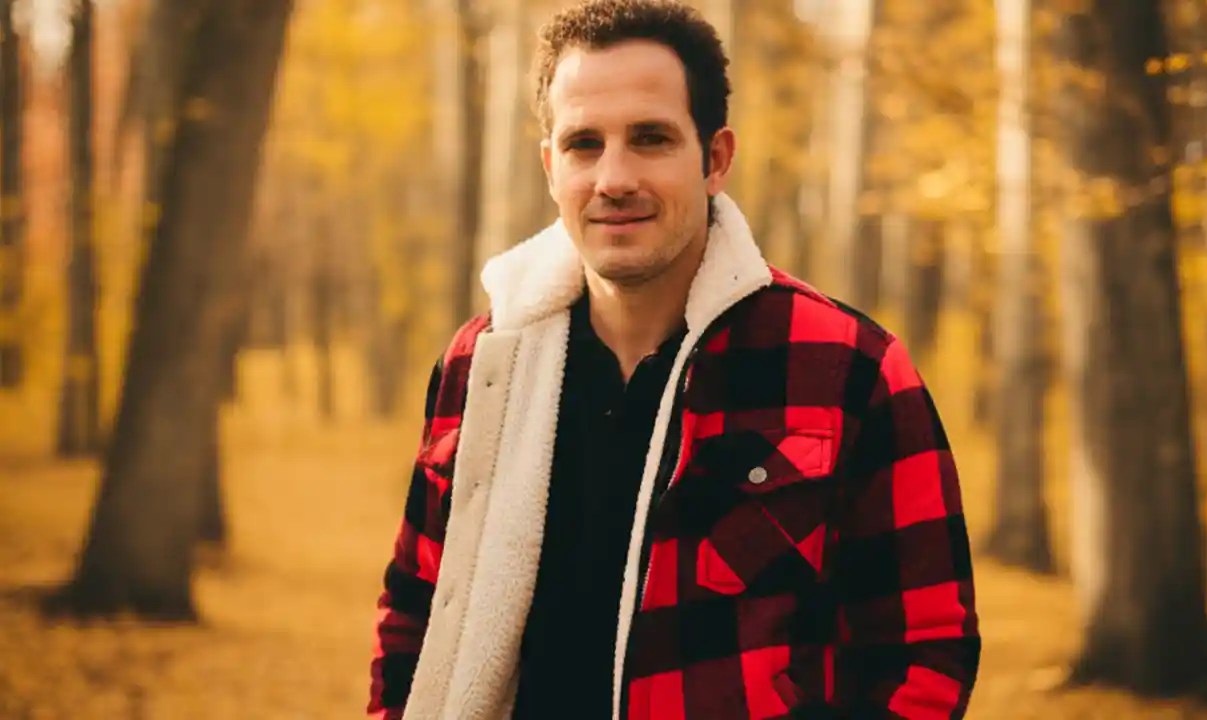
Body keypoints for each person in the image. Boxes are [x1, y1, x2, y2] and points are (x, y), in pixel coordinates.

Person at [368, 1, 980, 718]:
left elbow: (927, 651)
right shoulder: (482, 365)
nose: (613, 178)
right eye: (584, 144)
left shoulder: (847, 368)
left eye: (650, 138)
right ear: (550, 166)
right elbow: (413, 612)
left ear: (715, 160)